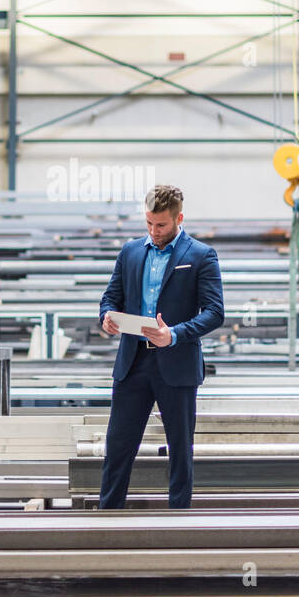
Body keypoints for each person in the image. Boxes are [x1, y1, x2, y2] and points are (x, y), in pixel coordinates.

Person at [97, 184, 225, 509]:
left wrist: (176, 334)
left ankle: (178, 525)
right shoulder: (130, 252)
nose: (154, 231)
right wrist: (107, 317)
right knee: (118, 447)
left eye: (162, 225)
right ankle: (107, 520)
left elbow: (215, 312)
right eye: (149, 224)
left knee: (180, 451)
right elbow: (111, 297)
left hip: (176, 364)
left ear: (179, 218)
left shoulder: (200, 256)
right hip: (133, 363)